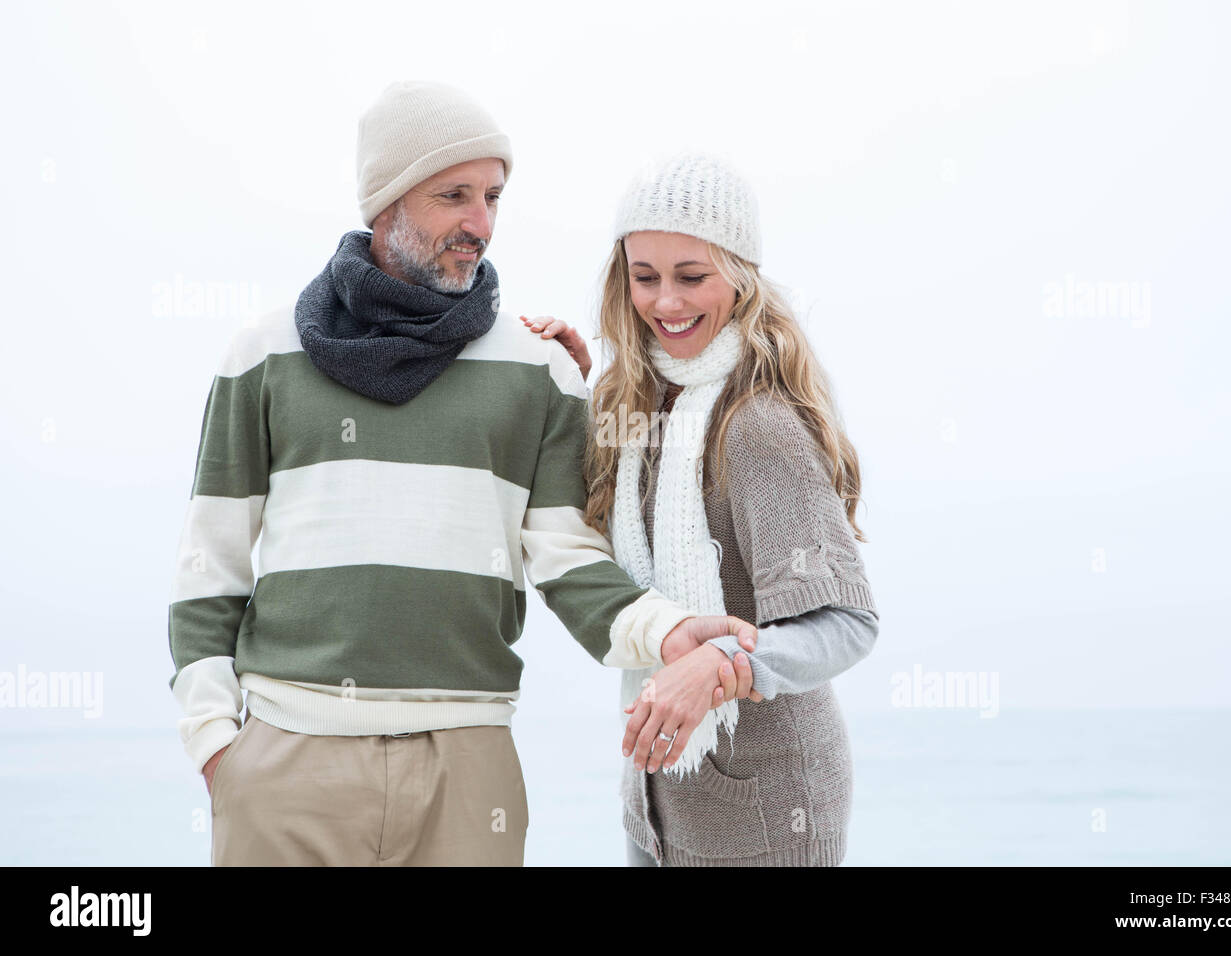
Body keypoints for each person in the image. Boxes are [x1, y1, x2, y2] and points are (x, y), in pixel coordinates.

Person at [166, 83, 762, 867]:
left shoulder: (538, 368)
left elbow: (566, 557)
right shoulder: (264, 355)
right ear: (386, 201)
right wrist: (218, 747)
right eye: (454, 195)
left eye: (491, 196)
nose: (480, 223)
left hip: (468, 768)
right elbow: (212, 564)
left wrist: (668, 629)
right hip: (284, 763)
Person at [526, 153, 881, 866]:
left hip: (768, 808)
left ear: (741, 278)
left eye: (692, 277)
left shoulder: (756, 425)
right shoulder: (640, 405)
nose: (665, 303)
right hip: (659, 798)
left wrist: (719, 661)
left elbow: (846, 624)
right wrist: (577, 393)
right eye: (644, 277)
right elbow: (593, 537)